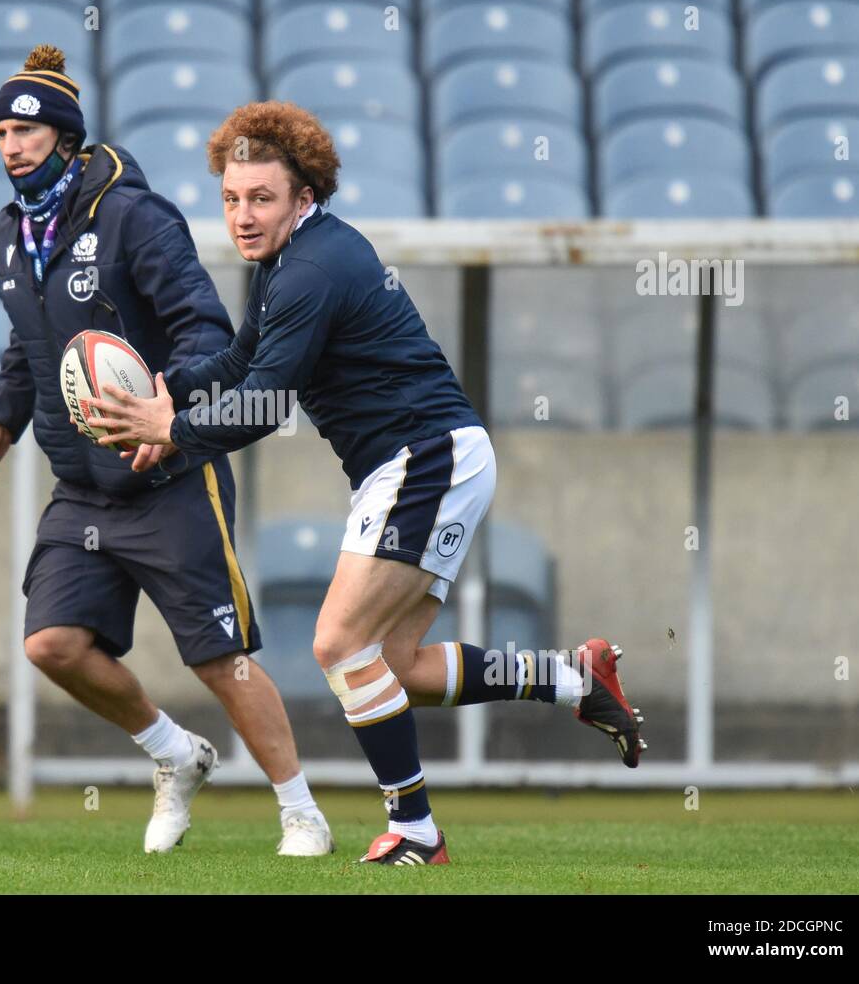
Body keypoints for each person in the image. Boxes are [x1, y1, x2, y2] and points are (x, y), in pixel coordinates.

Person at [84, 100, 648, 866]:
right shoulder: (287, 262)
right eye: (230, 198)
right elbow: (238, 366)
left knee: (338, 643)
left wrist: (170, 433)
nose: (243, 216)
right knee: (398, 666)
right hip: (426, 461)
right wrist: (167, 389)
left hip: (426, 458)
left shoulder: (312, 268)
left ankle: (414, 827)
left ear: (304, 194)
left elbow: (266, 400)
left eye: (262, 198)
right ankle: (573, 681)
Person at [0, 49, 333, 856]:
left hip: (166, 476)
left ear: (64, 138)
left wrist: (172, 408)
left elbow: (204, 324)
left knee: (220, 659)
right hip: (82, 487)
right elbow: (31, 348)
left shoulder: (134, 216)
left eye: (25, 130)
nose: (10, 146)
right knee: (51, 645)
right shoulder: (9, 235)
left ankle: (301, 809)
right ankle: (174, 754)